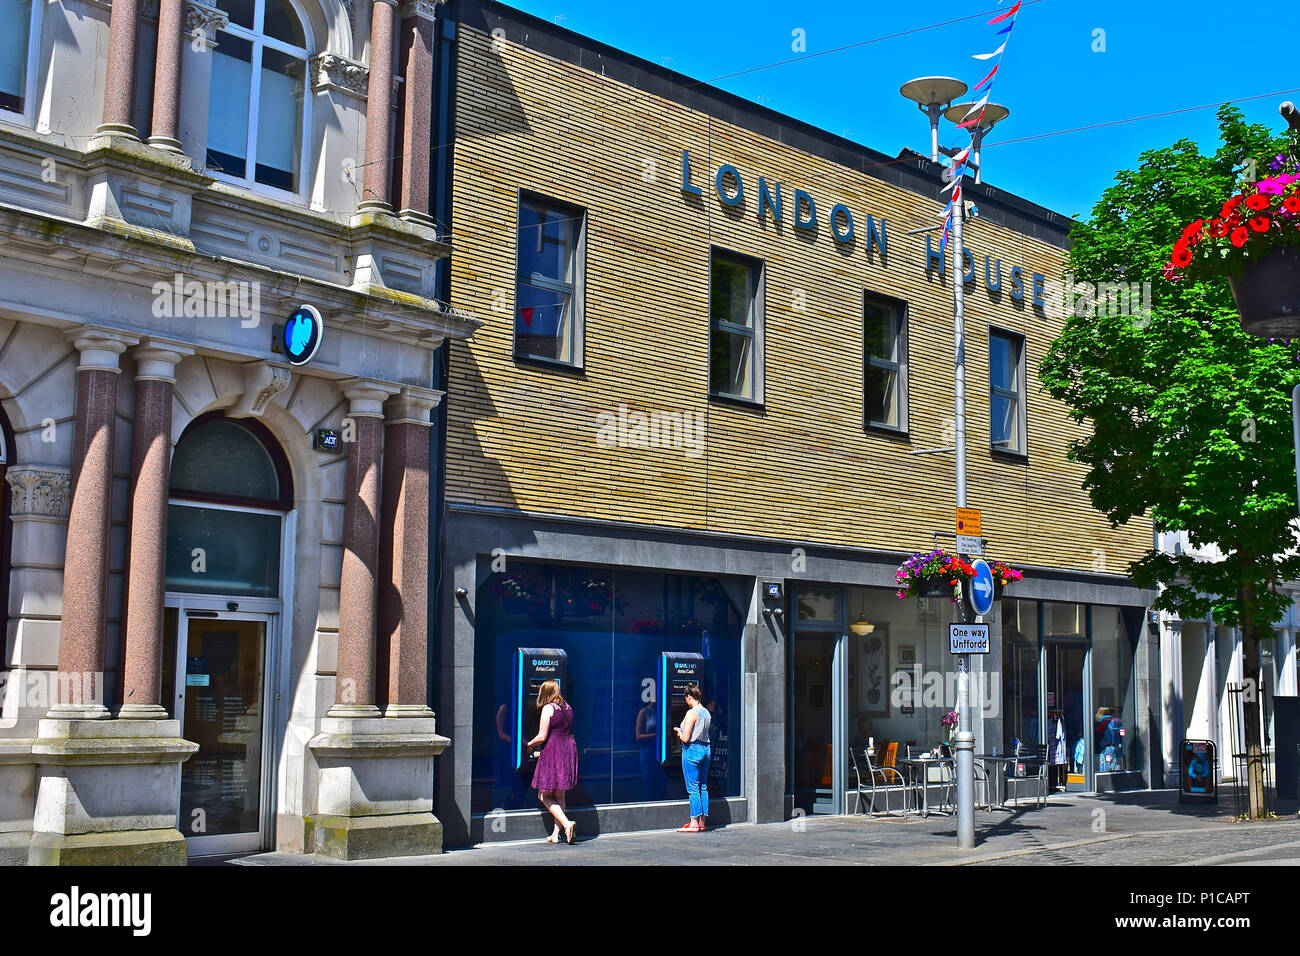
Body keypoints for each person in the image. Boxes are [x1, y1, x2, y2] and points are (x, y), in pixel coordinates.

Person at [525, 679, 579, 844]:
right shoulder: (568, 707)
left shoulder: (548, 708)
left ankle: (566, 823)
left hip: (553, 751)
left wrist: (528, 745)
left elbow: (542, 736)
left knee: (544, 795)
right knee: (560, 794)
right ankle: (556, 834)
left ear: (545, 692)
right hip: (568, 750)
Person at [673, 682, 711, 832]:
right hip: (706, 749)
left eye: (686, 698)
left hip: (692, 751)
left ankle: (694, 823)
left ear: (689, 696)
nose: (686, 701)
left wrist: (678, 732)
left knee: (693, 789)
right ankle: (702, 822)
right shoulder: (706, 712)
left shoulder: (691, 713)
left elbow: (686, 738)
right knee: (703, 787)